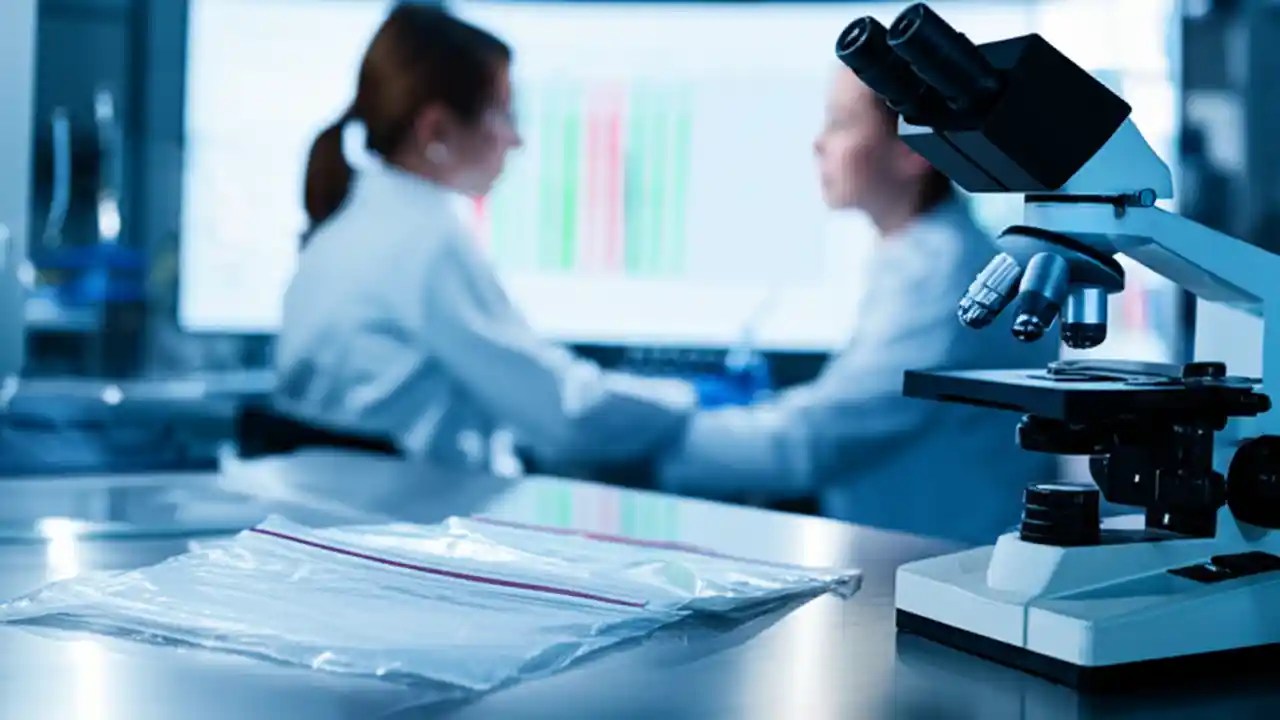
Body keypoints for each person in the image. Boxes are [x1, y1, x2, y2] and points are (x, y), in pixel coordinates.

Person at [272, 5, 696, 470]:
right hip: (416, 516)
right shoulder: (425, 240)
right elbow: (567, 417)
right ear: (436, 129)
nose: (517, 140)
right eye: (504, 113)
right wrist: (687, 396)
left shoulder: (353, 221)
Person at [652, 69, 1058, 545]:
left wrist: (625, 433)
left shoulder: (941, 272)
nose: (819, 144)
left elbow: (810, 444)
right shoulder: (927, 251)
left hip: (943, 573)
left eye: (841, 122)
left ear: (911, 148)